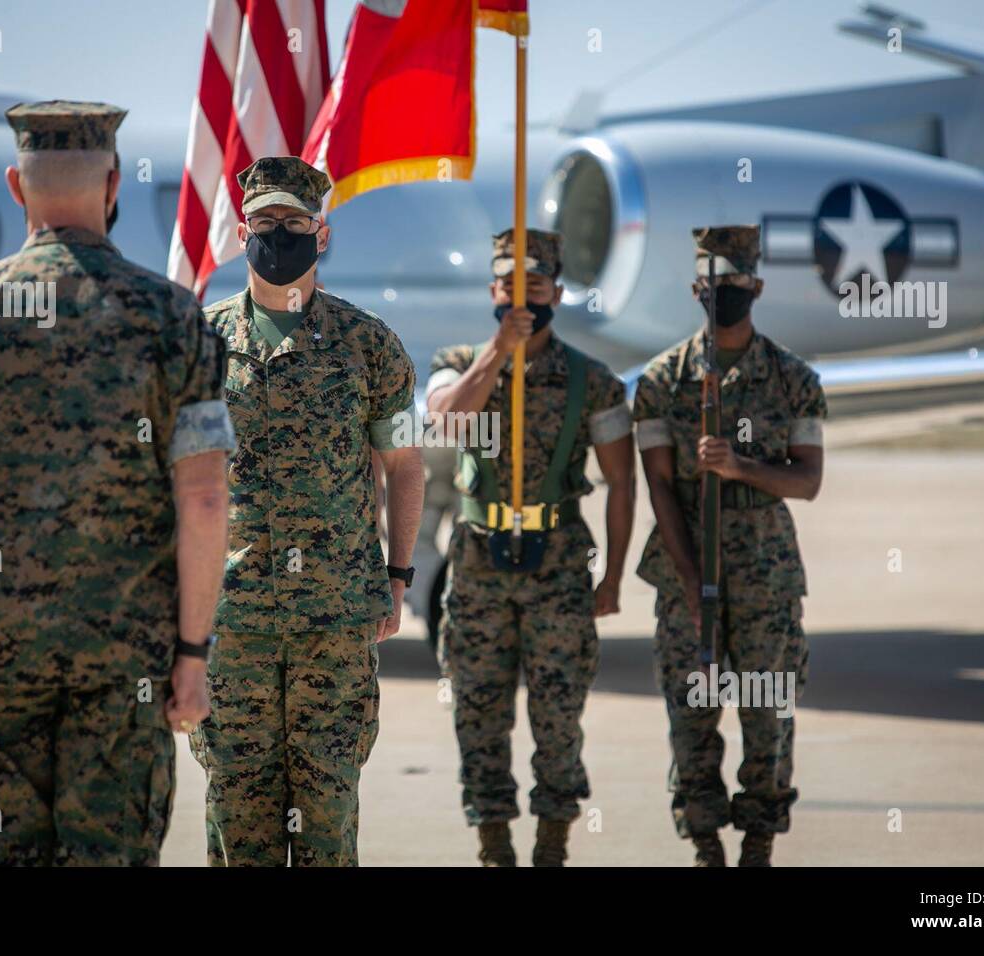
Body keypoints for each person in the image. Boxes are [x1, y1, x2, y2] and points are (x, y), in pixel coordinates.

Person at [0, 100, 235, 865]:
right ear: (112, 185)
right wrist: (193, 657)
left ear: (16, 186)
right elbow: (205, 498)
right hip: (126, 668)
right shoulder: (173, 319)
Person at [192, 156, 424, 866]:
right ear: (242, 232)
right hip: (231, 626)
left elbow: (405, 464)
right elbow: (175, 484)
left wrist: (398, 575)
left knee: (326, 815)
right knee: (240, 815)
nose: (281, 235)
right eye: (267, 223)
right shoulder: (198, 346)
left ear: (321, 235)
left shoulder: (368, 344)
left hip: (336, 618)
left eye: (295, 223)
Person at [425, 228, 634, 866]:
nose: (522, 298)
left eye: (535, 288)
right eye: (510, 286)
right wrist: (499, 351)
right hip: (479, 561)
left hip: (559, 560)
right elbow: (448, 419)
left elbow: (623, 481)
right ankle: (493, 844)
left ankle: (552, 844)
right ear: (492, 291)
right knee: (478, 713)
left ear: (557, 294)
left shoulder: (593, 382)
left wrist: (614, 579)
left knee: (559, 713)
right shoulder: (459, 360)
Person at [632, 224, 826, 866]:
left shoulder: (793, 378)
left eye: (735, 285)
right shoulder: (663, 380)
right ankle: (705, 840)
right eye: (713, 285)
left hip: (766, 575)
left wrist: (739, 467)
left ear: (757, 287)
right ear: (696, 288)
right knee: (691, 711)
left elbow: (808, 479)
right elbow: (659, 482)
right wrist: (690, 579)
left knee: (767, 713)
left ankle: (760, 840)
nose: (723, 294)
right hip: (687, 560)